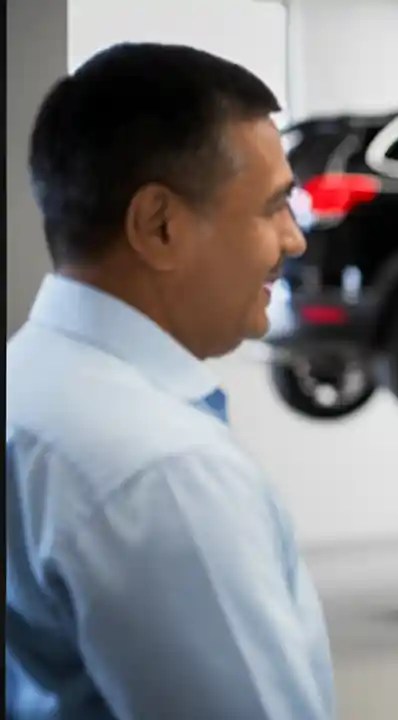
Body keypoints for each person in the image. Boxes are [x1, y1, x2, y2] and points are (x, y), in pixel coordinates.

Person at [6, 43, 334, 719]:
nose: (294, 239)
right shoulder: (163, 474)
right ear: (159, 226)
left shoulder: (27, 388)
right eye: (273, 206)